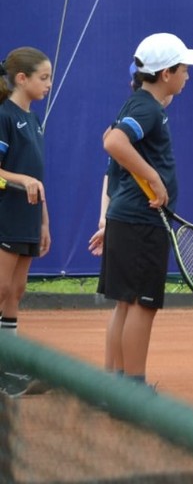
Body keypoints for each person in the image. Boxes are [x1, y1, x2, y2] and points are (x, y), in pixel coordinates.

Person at [98, 34, 193, 386]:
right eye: (184, 69)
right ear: (165, 74)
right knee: (142, 306)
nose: (188, 74)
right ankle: (133, 389)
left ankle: (114, 384)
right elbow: (113, 142)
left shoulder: (141, 104)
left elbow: (110, 140)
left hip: (127, 218)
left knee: (125, 305)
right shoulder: (146, 108)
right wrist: (155, 180)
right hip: (141, 221)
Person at [0, 46, 52, 392]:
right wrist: (22, 181)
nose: (49, 84)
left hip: (28, 218)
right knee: (1, 287)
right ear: (22, 79)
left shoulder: (33, 120)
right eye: (43, 77)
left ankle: (10, 367)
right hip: (5, 215)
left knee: (15, 291)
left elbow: (38, 175)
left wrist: (44, 221)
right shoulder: (4, 116)